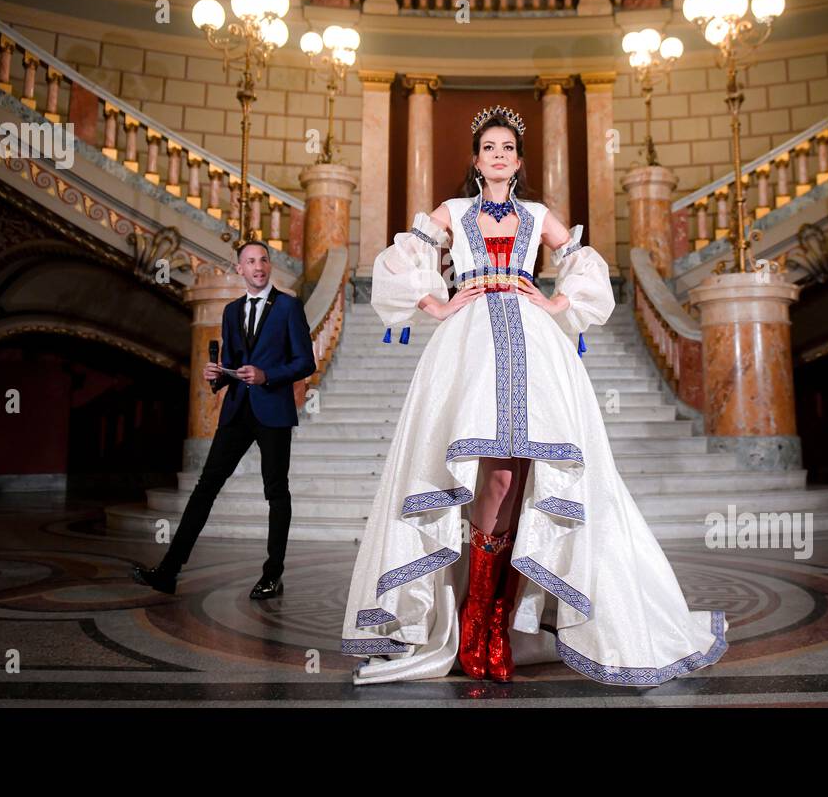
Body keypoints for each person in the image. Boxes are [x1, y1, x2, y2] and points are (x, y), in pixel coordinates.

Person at [339, 105, 728, 685]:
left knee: (530, 478)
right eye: (488, 148)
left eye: (506, 148)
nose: (497, 155)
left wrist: (557, 304)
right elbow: (402, 261)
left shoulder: (539, 215)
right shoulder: (454, 211)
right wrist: (437, 304)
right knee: (490, 475)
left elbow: (584, 266)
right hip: (469, 347)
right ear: (476, 160)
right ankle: (474, 619)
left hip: (536, 347)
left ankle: (502, 621)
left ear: (518, 162)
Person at [132, 239, 315, 599]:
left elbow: (305, 361)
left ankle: (272, 575)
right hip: (237, 410)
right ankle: (169, 570)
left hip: (273, 411)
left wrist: (267, 375)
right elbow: (231, 361)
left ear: (268, 266)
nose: (258, 266)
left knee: (275, 491)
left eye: (263, 260)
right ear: (240, 269)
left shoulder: (289, 307)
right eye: (250, 261)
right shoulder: (231, 311)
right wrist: (216, 376)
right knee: (206, 486)